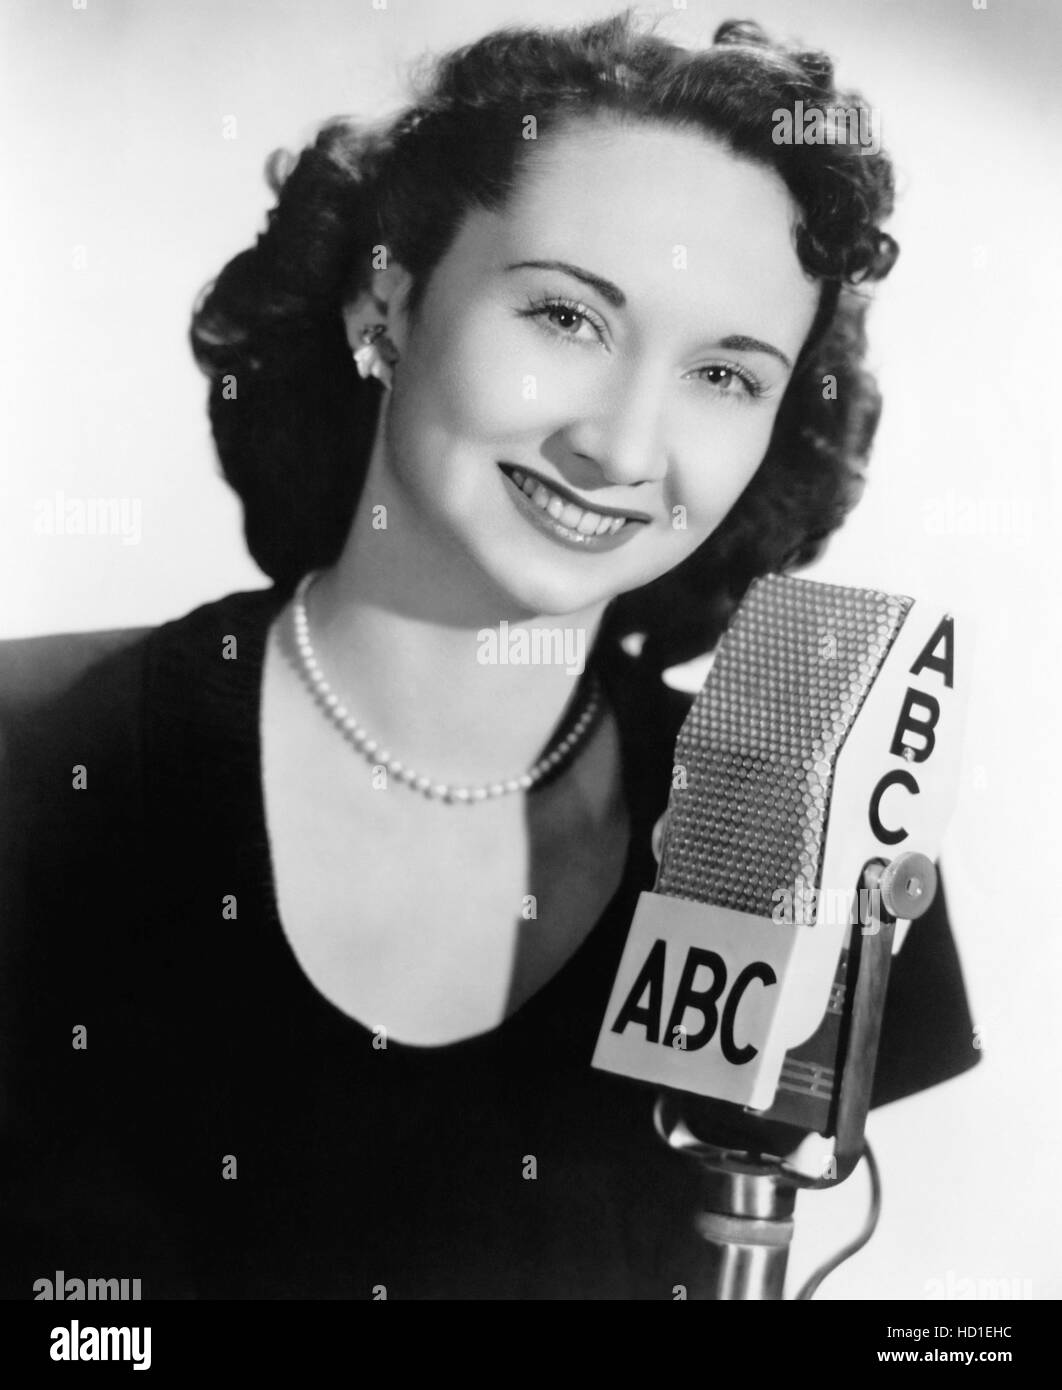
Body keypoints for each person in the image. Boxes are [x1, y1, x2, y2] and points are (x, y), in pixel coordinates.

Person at [0, 11, 978, 1300]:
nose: (622, 449)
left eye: (726, 376)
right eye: (569, 317)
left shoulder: (807, 838)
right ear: (388, 299)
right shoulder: (34, 755)